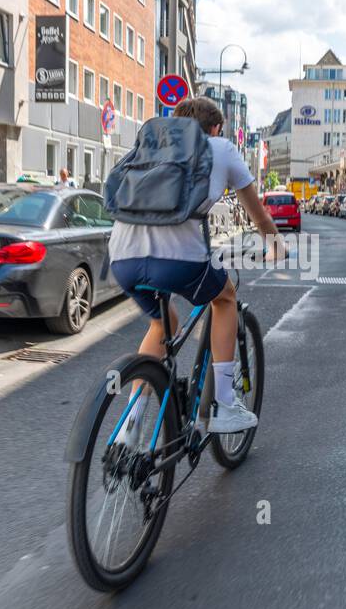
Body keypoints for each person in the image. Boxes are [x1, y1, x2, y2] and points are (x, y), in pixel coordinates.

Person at [109, 96, 283, 436]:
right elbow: (257, 213)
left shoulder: (152, 143)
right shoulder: (220, 147)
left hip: (122, 257)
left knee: (163, 324)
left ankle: (132, 422)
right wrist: (276, 245)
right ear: (215, 127)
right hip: (178, 261)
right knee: (225, 298)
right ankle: (224, 405)